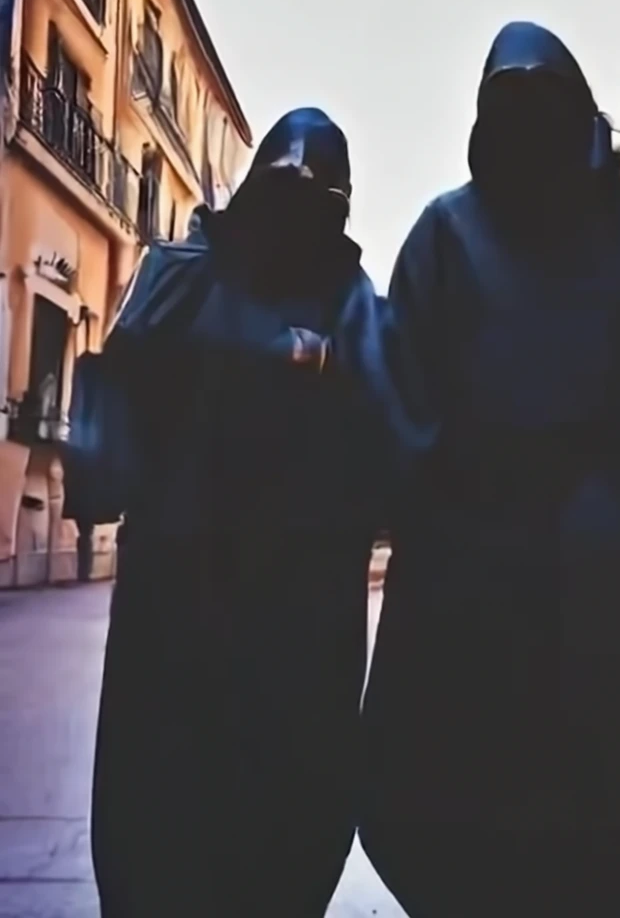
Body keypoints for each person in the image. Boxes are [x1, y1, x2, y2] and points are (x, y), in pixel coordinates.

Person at [359, 21, 620, 918]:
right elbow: (400, 393)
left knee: (597, 820)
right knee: (460, 813)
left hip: (588, 581)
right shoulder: (444, 233)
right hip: (478, 580)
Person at [85, 108, 386, 918]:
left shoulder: (352, 304)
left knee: (277, 841)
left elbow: (391, 437)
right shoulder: (183, 274)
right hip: (182, 621)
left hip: (292, 630)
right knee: (162, 837)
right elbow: (114, 408)